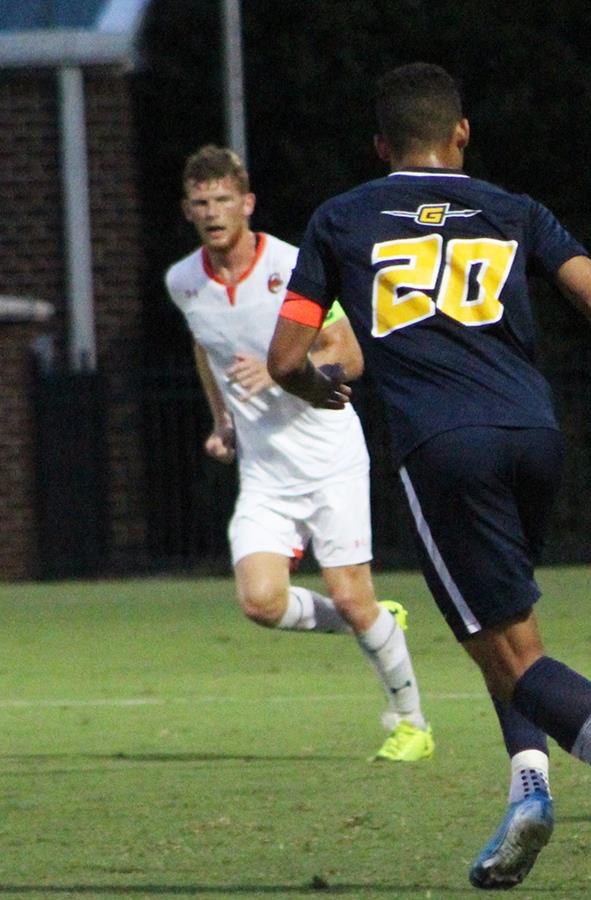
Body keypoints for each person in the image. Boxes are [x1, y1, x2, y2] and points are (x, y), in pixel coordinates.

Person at [265, 63, 591, 890]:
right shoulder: (514, 209)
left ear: (380, 146)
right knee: (507, 632)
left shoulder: (341, 218)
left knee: (517, 657)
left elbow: (284, 359)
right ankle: (529, 792)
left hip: (445, 449)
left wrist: (322, 387)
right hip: (533, 436)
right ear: (462, 134)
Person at [165, 145, 432, 763]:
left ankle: (412, 723)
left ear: (247, 203)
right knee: (260, 601)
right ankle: (372, 620)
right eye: (201, 202)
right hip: (264, 471)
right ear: (188, 210)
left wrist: (284, 369)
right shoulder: (184, 282)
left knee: (348, 591)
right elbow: (207, 348)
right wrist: (222, 418)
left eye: (224, 199)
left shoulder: (292, 266)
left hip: (330, 455)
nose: (213, 211)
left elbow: (352, 355)